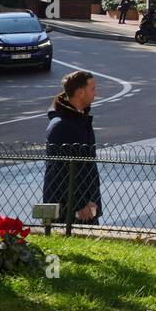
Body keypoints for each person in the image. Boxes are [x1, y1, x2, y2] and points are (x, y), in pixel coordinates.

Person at [43, 70, 103, 225]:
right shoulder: (61, 126)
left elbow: (88, 167)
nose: (96, 93)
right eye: (93, 89)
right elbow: (60, 171)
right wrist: (80, 203)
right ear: (81, 92)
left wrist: (92, 199)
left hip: (86, 204)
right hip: (69, 208)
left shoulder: (80, 119)